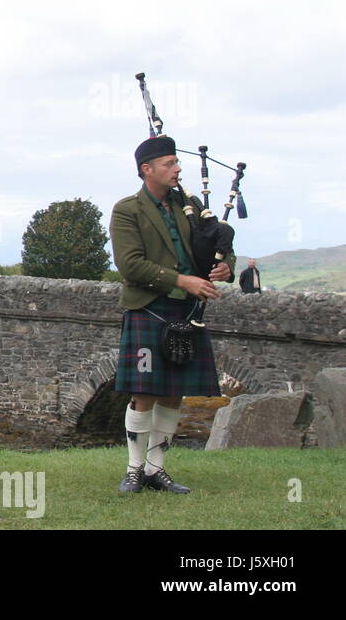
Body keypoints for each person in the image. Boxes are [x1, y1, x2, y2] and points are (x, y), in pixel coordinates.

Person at [110, 135, 235, 495]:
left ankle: (156, 469)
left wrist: (225, 266)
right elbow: (131, 265)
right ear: (146, 170)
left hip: (187, 308)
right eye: (169, 163)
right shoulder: (127, 210)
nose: (178, 168)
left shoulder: (191, 206)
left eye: (177, 163)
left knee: (173, 394)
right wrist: (182, 279)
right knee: (144, 391)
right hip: (149, 308)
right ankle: (134, 469)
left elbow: (220, 247)